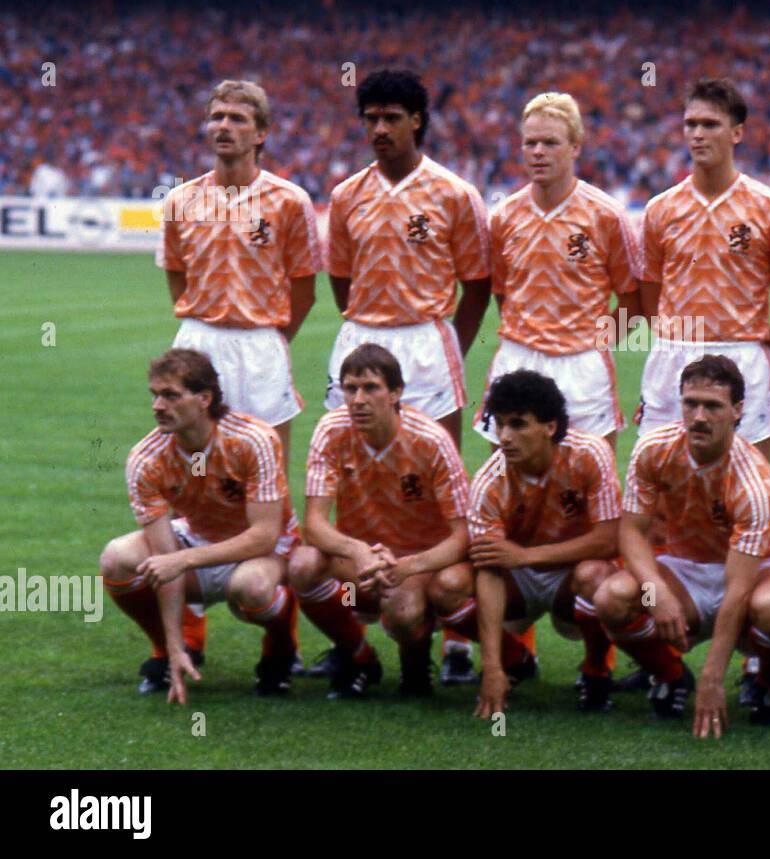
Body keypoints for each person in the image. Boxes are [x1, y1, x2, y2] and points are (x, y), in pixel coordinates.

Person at [325, 68, 491, 683]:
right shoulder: (346, 196)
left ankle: (454, 638)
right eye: (370, 118)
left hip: (426, 341)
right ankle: (357, 620)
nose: (379, 129)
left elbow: (478, 284)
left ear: (417, 120)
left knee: (437, 477)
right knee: (351, 478)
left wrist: (451, 343)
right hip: (361, 336)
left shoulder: (454, 193)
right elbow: (339, 280)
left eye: (392, 117)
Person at [156, 79, 321, 660]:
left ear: (262, 134)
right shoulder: (181, 200)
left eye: (237, 118)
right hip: (198, 340)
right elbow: (176, 276)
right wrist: (203, 328)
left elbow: (304, 288)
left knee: (268, 482)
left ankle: (283, 640)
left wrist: (271, 340)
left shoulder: (289, 201)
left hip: (259, 344)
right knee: (186, 478)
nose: (223, 126)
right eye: (215, 116)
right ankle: (188, 636)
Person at [595, 355, 770, 737]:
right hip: (683, 568)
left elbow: (738, 588)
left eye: (713, 406)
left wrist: (714, 677)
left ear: (738, 411)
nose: (700, 416)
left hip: (754, 571)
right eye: (691, 403)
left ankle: (768, 684)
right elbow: (632, 531)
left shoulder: (755, 480)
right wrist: (655, 588)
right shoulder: (653, 449)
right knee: (611, 597)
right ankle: (671, 676)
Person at [99, 349, 300, 702]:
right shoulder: (146, 459)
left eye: (171, 395)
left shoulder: (254, 440)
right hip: (197, 540)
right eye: (155, 395)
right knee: (116, 559)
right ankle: (166, 652)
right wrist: (175, 647)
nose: (158, 406)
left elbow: (264, 536)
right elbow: (165, 561)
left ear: (204, 399)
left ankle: (280, 650)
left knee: (251, 588)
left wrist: (185, 560)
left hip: (264, 552)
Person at [636, 77, 770, 462]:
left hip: (744, 358)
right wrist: (672, 340)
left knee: (748, 489)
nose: (698, 134)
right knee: (663, 490)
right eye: (690, 124)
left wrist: (755, 354)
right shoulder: (659, 210)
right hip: (672, 358)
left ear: (737, 132)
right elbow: (649, 293)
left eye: (710, 124)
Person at [290, 343, 473, 699]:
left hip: (419, 565)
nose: (358, 399)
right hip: (358, 565)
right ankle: (357, 655)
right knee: (302, 565)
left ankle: (415, 668)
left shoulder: (432, 440)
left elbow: (462, 536)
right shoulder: (331, 431)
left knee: (402, 608)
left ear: (396, 393)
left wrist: (407, 566)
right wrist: (358, 552)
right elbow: (313, 524)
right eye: (349, 388)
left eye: (371, 388)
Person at [436, 371, 622, 716]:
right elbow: (490, 570)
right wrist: (492, 668)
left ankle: (597, 672)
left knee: (598, 577)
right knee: (447, 586)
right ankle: (512, 660)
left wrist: (527, 555)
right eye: (500, 425)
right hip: (516, 581)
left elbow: (611, 539)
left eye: (518, 425)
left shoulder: (589, 455)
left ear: (550, 427)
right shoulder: (489, 481)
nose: (505, 437)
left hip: (570, 577)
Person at [475, 91, 642, 455]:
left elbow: (633, 300)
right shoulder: (503, 217)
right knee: (510, 485)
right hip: (518, 358)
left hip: (583, 367)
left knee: (590, 490)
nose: (538, 152)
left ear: (575, 147)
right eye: (530, 143)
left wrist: (591, 343)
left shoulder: (606, 215)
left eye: (550, 143)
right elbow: (503, 293)